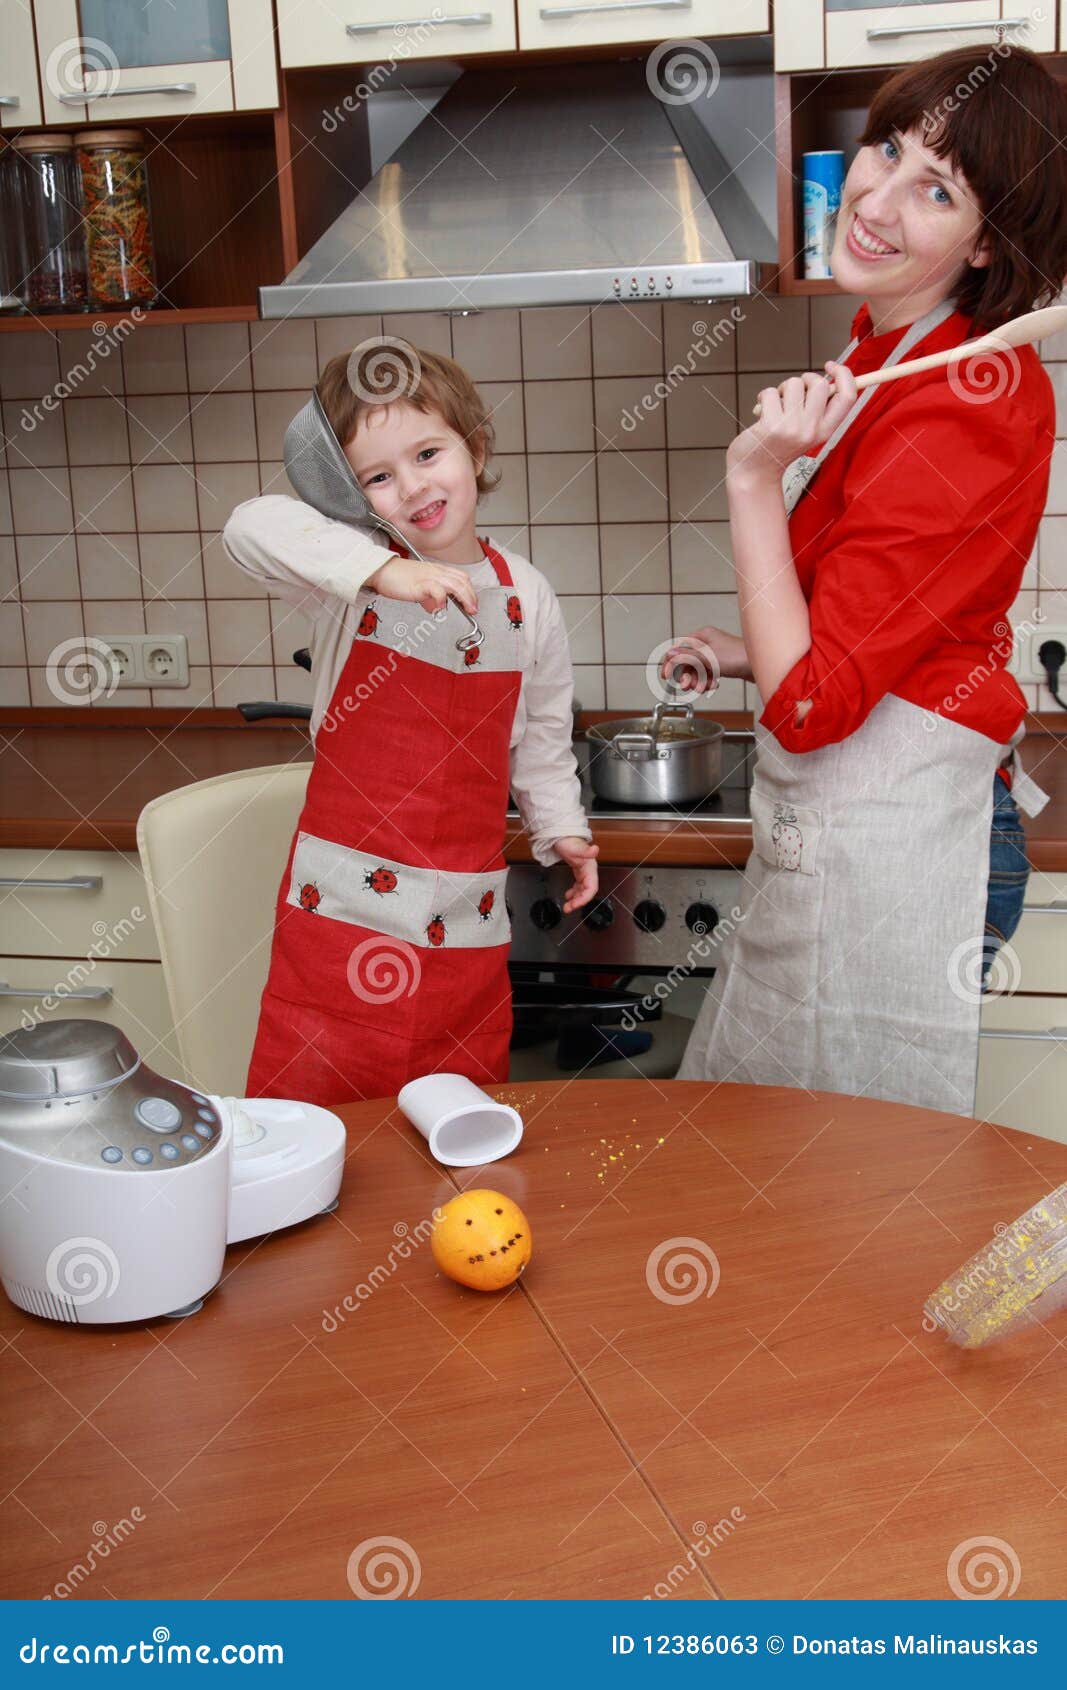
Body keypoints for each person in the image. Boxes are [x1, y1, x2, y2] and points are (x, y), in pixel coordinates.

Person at [663, 43, 1067, 1113]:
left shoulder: (967, 399)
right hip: (849, 822)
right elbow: (867, 634)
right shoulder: (885, 348)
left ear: (987, 246)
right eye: (885, 149)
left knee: (849, 1187)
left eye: (935, 189)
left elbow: (806, 708)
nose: (875, 197)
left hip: (897, 841)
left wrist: (752, 479)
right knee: (774, 1160)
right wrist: (750, 647)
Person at [223, 343, 598, 1104]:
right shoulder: (350, 575)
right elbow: (248, 524)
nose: (413, 487)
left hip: (461, 917)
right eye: (378, 477)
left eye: (428, 453)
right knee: (325, 1113)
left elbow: (542, 737)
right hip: (339, 920)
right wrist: (386, 572)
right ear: (355, 498)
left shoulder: (527, 591)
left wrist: (559, 827)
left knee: (453, 1116)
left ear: (476, 448)